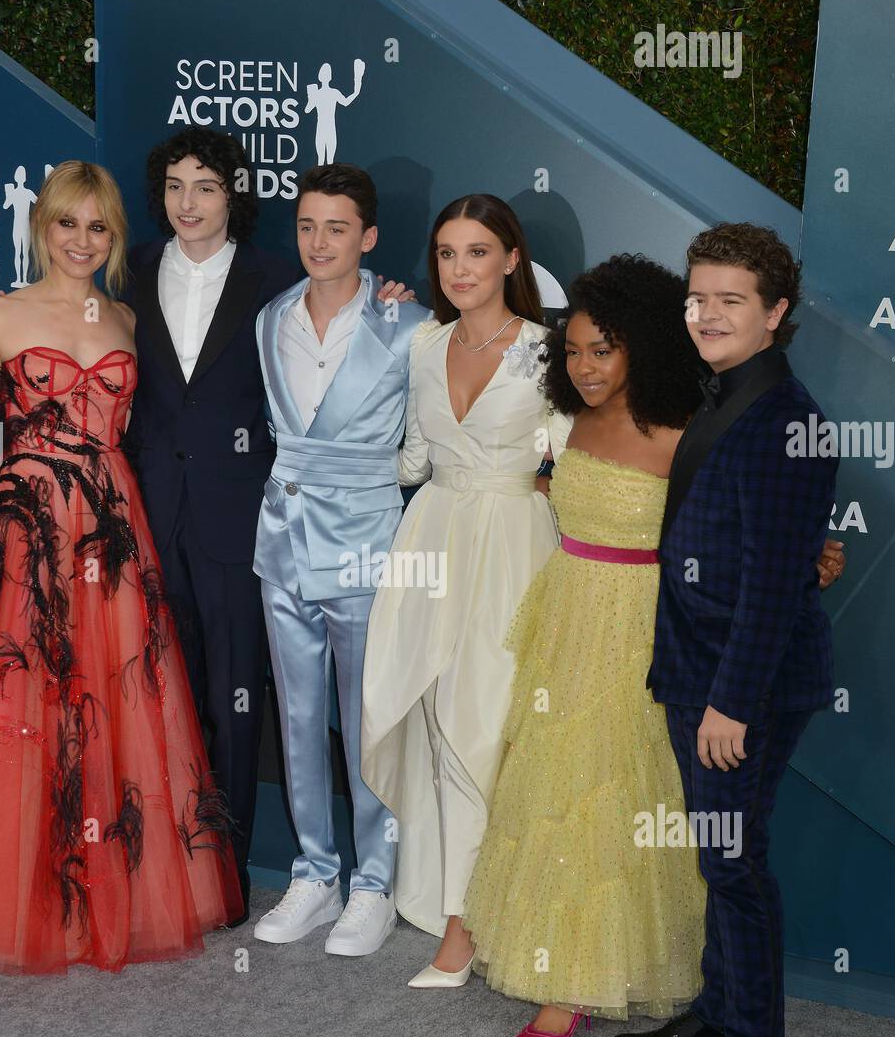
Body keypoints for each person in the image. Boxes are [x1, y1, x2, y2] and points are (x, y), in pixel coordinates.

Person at [0, 160, 243, 972]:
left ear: (115, 236)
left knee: (112, 704)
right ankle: (4, 898)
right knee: (17, 701)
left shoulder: (125, 315)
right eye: (67, 223)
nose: (81, 240)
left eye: (99, 226)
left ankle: (101, 902)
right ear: (41, 227)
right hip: (24, 522)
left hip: (112, 528)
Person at [123, 134, 410, 914]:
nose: (189, 202)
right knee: (157, 693)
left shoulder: (280, 277)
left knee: (241, 702)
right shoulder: (132, 268)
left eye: (206, 187)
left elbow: (362, 312)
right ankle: (157, 870)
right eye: (176, 185)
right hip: (150, 516)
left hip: (249, 522)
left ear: (233, 198)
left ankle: (225, 879)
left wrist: (394, 301)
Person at [609, 223, 840, 1037]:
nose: (706, 314)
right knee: (717, 859)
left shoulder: (790, 422)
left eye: (730, 300)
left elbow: (778, 584)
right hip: (696, 674)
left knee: (736, 867)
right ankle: (718, 1013)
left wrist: (730, 705)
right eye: (697, 296)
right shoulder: (724, 395)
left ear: (777, 313)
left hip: (741, 690)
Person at [462, 255, 709, 1037]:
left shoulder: (681, 436)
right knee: (548, 786)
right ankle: (549, 958)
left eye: (603, 349)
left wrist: (810, 556)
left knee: (617, 793)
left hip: (635, 629)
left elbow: (724, 537)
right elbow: (554, 490)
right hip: (565, 614)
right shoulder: (571, 422)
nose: (584, 366)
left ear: (644, 345)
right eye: (571, 351)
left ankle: (576, 983)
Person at [360, 194, 568, 985]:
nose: (460, 269)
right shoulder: (421, 343)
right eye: (447, 254)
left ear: (512, 259)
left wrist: (545, 488)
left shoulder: (550, 351)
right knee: (435, 717)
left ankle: (467, 920)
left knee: (486, 728)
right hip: (432, 539)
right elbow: (412, 459)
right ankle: (455, 901)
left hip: (513, 546)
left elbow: (572, 454)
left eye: (477, 252)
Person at [251, 165, 430, 955]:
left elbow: (424, 443)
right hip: (282, 537)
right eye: (306, 226)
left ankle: (374, 884)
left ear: (370, 237)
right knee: (295, 718)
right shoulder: (270, 318)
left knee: (368, 719)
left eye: (336, 228)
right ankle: (316, 873)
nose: (319, 243)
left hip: (364, 542)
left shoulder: (411, 324)